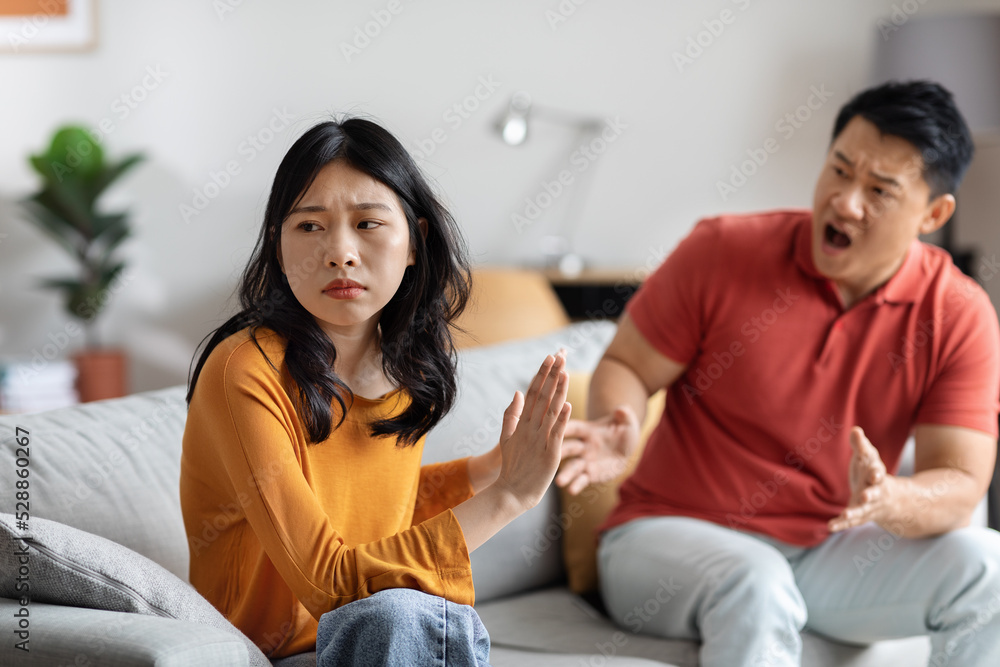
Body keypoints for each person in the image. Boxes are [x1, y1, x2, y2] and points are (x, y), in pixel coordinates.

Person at [557, 80, 1000, 666]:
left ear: (934, 214)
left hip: (828, 550)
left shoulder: (957, 313)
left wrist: (892, 498)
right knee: (756, 581)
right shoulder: (722, 250)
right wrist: (620, 418)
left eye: (880, 190)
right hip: (666, 536)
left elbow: (959, 482)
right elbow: (628, 366)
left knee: (989, 569)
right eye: (839, 170)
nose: (845, 202)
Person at [180, 117, 572, 665]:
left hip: (381, 639)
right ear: (278, 247)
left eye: (367, 223)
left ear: (415, 241)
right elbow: (331, 582)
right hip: (280, 653)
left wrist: (492, 468)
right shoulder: (244, 370)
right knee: (401, 615)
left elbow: (377, 512)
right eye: (309, 227)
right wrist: (507, 497)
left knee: (411, 616)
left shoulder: (402, 360)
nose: (339, 252)